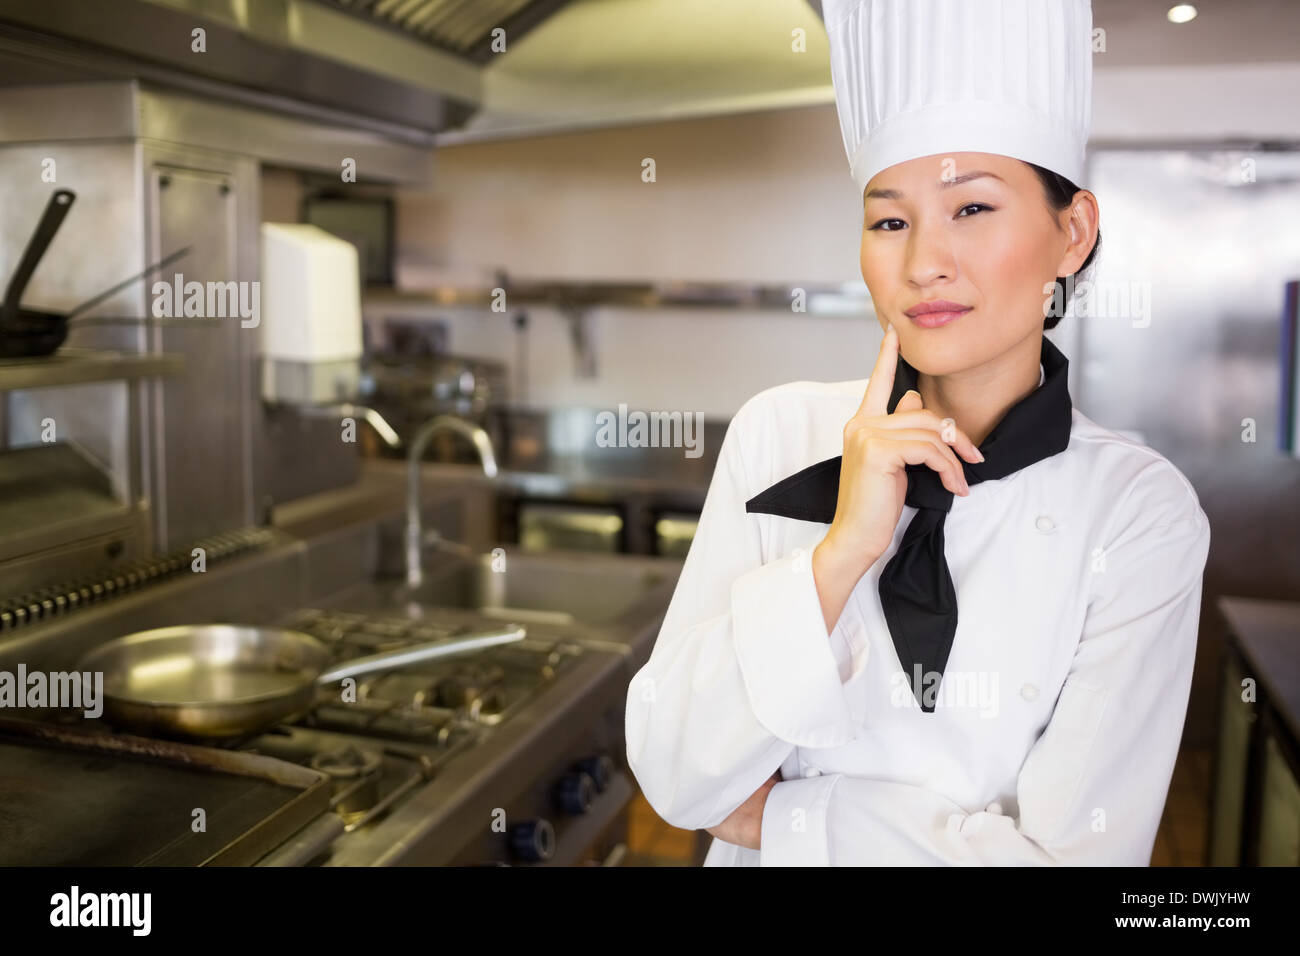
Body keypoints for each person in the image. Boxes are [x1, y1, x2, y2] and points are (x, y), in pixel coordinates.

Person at [623, 0, 1211, 865]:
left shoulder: (1138, 511)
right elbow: (676, 780)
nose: (922, 262)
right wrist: (843, 551)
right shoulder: (779, 432)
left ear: (1072, 232)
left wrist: (792, 821)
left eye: (971, 209)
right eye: (889, 220)